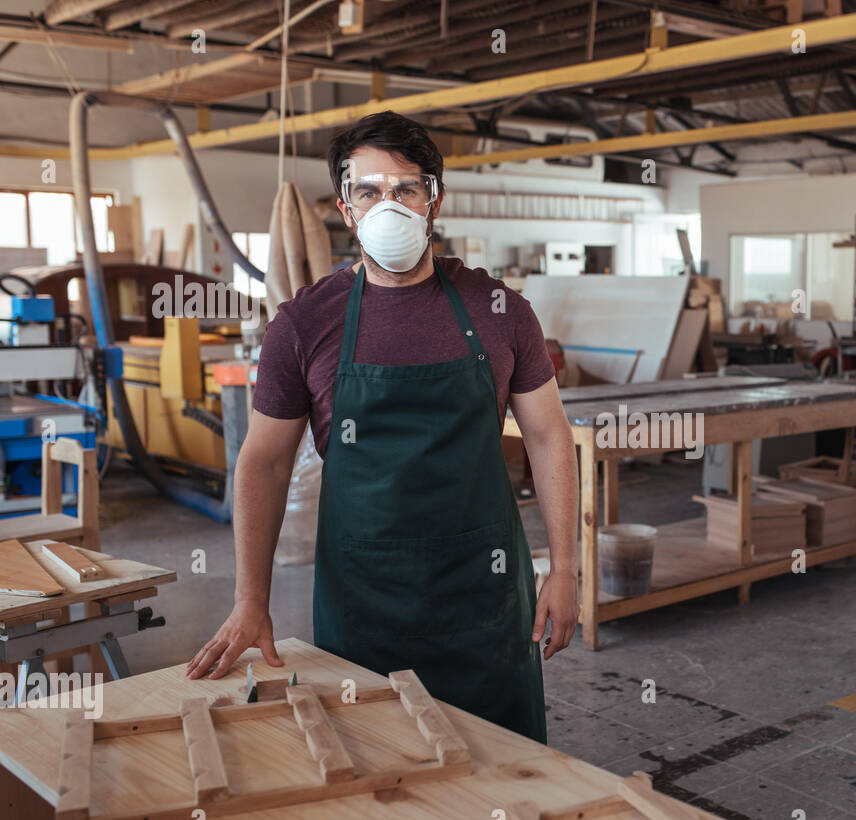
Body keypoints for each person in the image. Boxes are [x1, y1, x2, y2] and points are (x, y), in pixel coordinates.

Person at [186, 111, 578, 743]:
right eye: (368, 190)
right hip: (364, 604)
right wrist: (249, 596)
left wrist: (566, 567)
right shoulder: (304, 323)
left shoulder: (499, 310)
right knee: (377, 772)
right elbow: (262, 462)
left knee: (504, 777)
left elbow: (549, 435)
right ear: (345, 207)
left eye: (406, 189)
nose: (386, 205)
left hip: (484, 597)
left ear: (434, 201)